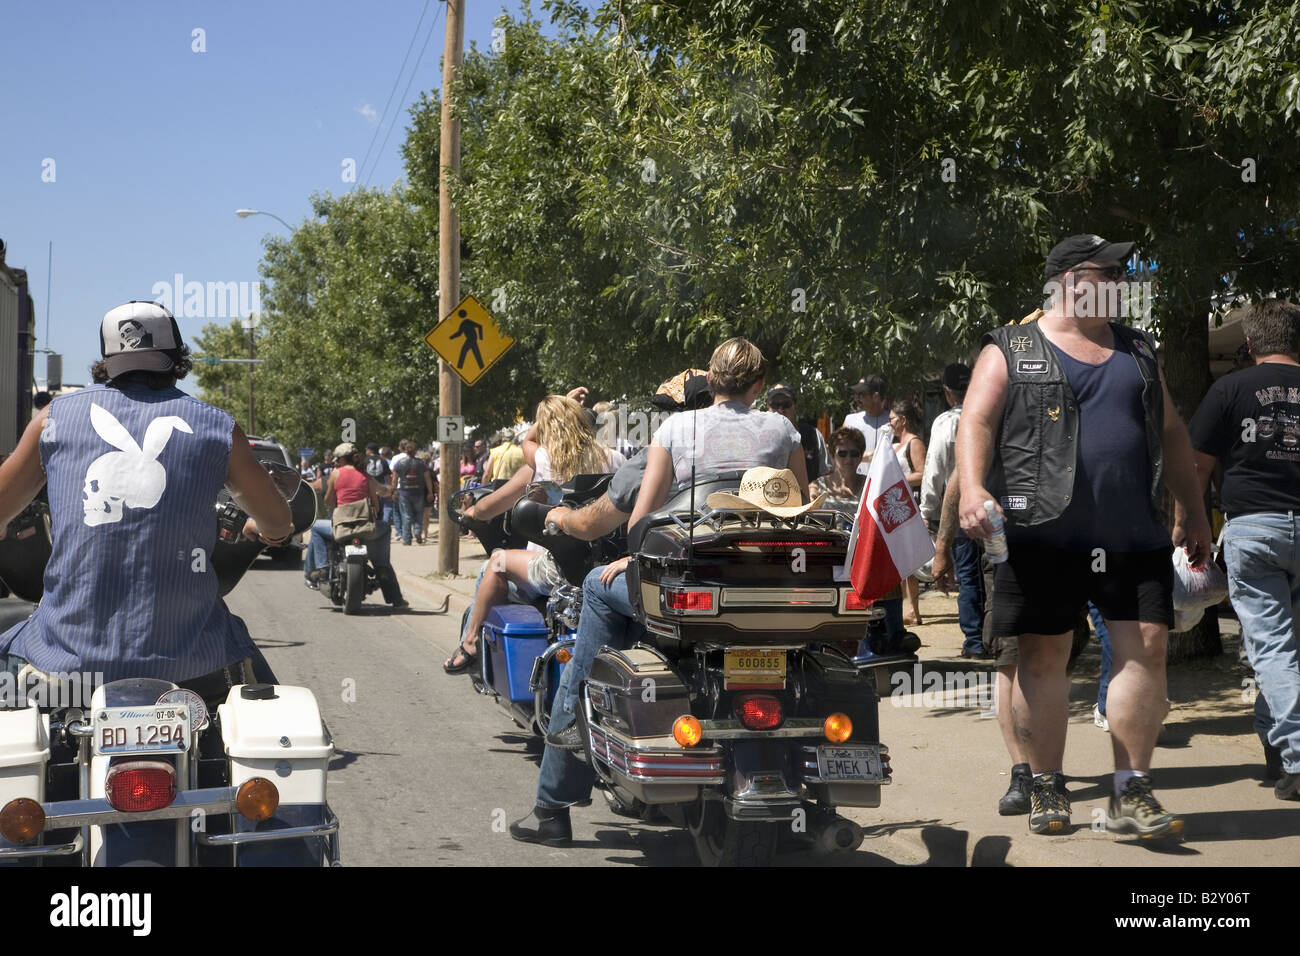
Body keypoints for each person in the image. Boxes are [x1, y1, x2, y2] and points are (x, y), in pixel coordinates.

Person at [958, 234, 1211, 837]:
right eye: (1112, 272)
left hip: (1132, 534)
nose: (1124, 282)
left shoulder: (1140, 351)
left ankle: (1131, 792)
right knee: (1044, 656)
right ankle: (1047, 783)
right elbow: (978, 419)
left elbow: (1172, 434)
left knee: (1148, 648)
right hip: (1041, 534)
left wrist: (1194, 510)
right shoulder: (1012, 348)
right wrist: (971, 488)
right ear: (1071, 280)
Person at [509, 338, 807, 846]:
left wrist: (632, 554)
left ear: (710, 381)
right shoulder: (782, 429)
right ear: (759, 385)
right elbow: (797, 509)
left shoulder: (674, 430)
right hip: (765, 591)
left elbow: (641, 522)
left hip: (689, 588)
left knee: (596, 592)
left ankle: (554, 798)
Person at [0, 301, 292, 689]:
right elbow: (280, 520)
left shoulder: (53, 420)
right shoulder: (217, 428)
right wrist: (269, 531)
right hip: (192, 662)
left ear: (107, 361)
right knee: (268, 703)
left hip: (64, 661)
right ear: (176, 360)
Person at [1185, 297, 1300, 800]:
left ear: (1250, 344)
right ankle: (1277, 752)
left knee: (1272, 647)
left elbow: (1197, 466)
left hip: (1254, 531)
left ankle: (1295, 755)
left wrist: (1190, 524)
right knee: (1277, 650)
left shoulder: (1228, 388)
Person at [443, 395, 625, 673]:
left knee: (497, 562)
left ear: (545, 427)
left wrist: (552, 409)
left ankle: (469, 645)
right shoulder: (615, 458)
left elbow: (527, 442)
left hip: (556, 568)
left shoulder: (545, 457)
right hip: (600, 565)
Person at [814, 426, 915, 657]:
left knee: (886, 570)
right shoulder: (817, 487)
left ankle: (894, 634)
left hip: (864, 553)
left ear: (861, 456)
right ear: (832, 454)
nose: (848, 459)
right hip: (834, 555)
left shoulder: (872, 484)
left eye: (854, 453)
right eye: (842, 453)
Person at [920, 363, 986, 657]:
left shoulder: (945, 423)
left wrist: (927, 509)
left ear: (947, 393)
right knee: (991, 573)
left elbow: (934, 471)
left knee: (969, 575)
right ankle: (993, 635)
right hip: (993, 507)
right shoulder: (990, 416)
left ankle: (975, 640)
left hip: (958, 510)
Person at [305, 442, 407, 608]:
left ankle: (321, 568)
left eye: (338, 459)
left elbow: (328, 501)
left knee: (316, 527)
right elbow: (376, 506)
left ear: (342, 459)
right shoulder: (366, 477)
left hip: (341, 528)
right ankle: (382, 568)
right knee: (385, 530)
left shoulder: (336, 474)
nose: (336, 462)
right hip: (365, 529)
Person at [890, 399, 928, 627]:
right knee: (899, 561)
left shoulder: (914, 443)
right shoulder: (895, 444)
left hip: (910, 506)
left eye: (892, 420)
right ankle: (906, 608)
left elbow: (923, 473)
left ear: (903, 420)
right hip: (896, 507)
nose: (890, 424)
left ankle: (913, 610)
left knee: (908, 562)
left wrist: (897, 481)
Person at [768, 383, 831, 481]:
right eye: (775, 405)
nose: (781, 410)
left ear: (795, 406)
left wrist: (815, 487)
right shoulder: (761, 438)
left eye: (786, 404)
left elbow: (826, 473)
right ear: (768, 408)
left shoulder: (813, 434)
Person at [392, 440, 434, 546]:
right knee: (419, 514)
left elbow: (394, 478)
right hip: (418, 492)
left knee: (406, 516)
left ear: (406, 450)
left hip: (404, 492)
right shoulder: (421, 463)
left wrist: (393, 491)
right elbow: (427, 478)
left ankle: (406, 539)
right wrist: (430, 492)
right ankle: (417, 531)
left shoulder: (399, 463)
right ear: (415, 451)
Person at [841, 375, 890, 465]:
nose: (857, 399)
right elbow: (840, 449)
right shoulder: (849, 420)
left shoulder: (892, 422)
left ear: (875, 397)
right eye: (856, 394)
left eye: (861, 395)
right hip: (855, 478)